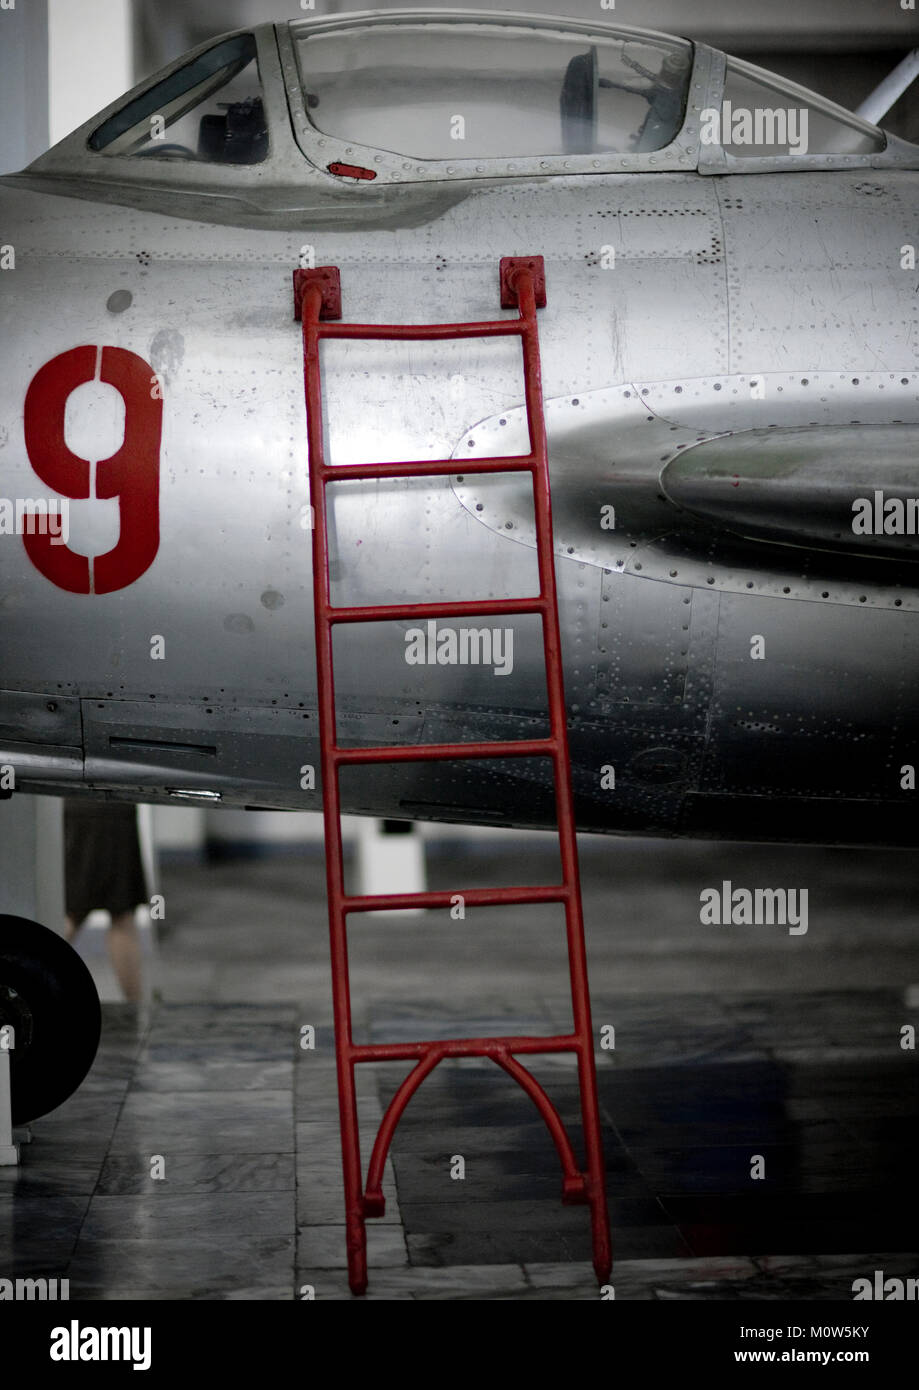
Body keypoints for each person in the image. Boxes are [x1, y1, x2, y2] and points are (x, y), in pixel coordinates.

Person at [63, 799, 147, 1003]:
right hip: (112, 801)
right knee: (118, 913)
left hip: (76, 801)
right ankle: (135, 1005)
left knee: (77, 911)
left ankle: (20, 982)